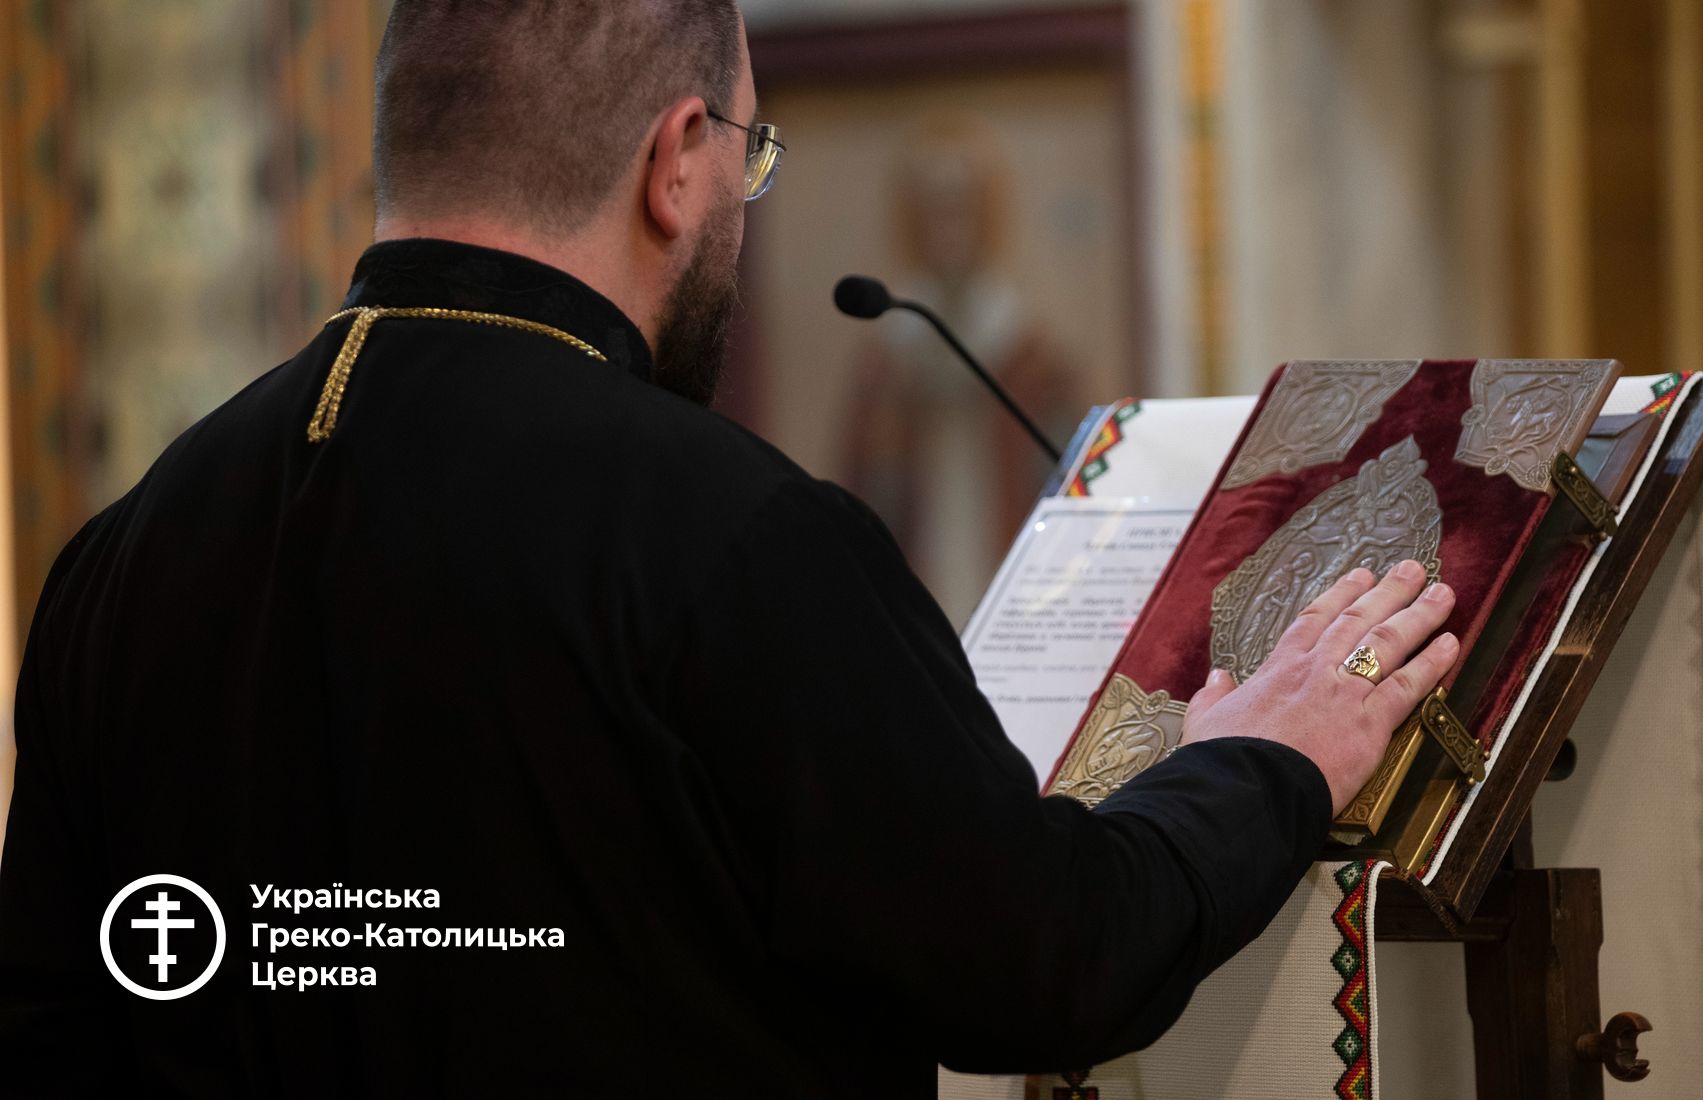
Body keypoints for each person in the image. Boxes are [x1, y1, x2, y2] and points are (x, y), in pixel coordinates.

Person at [0, 2, 1459, 1094]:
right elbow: (1048, 959)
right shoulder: (732, 535)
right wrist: (1265, 762)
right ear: (674, 161)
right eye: (748, 159)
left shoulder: (122, 555)